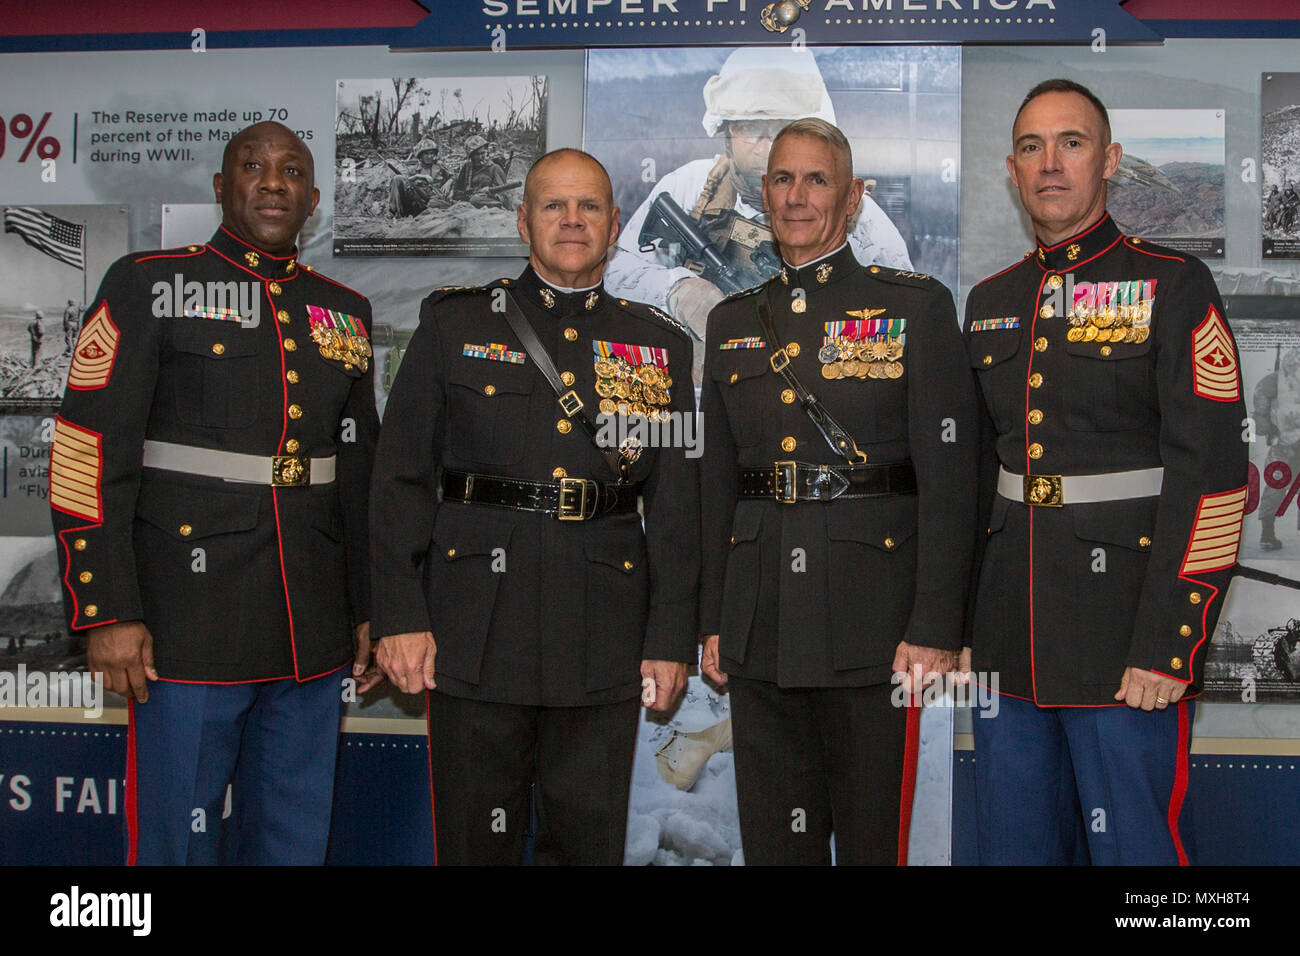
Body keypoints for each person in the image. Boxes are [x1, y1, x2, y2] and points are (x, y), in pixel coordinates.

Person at [49, 121, 379, 865]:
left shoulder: (342, 311)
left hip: (312, 628)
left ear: (314, 198)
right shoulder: (148, 283)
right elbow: (86, 450)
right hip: (182, 625)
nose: (272, 181)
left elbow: (358, 474)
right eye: (253, 167)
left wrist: (367, 607)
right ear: (220, 187)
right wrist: (109, 609)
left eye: (291, 171)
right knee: (176, 843)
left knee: (293, 841)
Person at [370, 148, 699, 865]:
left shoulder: (659, 346)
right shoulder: (454, 327)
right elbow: (398, 480)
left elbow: (675, 508)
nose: (572, 220)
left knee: (587, 845)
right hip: (472, 629)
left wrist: (670, 637)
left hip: (604, 631)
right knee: (473, 843)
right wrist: (398, 615)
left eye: (589, 207)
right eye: (554, 205)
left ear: (615, 225)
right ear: (523, 222)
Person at [964, 79, 1248, 865]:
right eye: (1031, 147)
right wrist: (960, 630)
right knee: (1013, 851)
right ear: (1013, 169)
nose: (1049, 163)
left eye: (1072, 143)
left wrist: (1170, 641)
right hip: (1007, 643)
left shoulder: (1173, 284)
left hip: (1127, 649)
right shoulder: (992, 301)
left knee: (1135, 860)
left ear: (1110, 160)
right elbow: (971, 482)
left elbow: (1215, 479)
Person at [698, 118, 976, 865]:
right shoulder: (729, 325)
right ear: (763, 192)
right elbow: (715, 487)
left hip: (878, 627)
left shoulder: (915, 309)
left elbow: (953, 483)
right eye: (783, 179)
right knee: (774, 843)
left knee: (868, 842)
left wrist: (937, 625)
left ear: (852, 199)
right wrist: (714, 616)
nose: (797, 196)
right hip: (762, 626)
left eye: (817, 180)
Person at [605, 47, 913, 375]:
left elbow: (901, 311)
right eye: (750, 128)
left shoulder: (854, 211)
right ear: (726, 132)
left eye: (780, 129)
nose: (765, 146)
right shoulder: (691, 186)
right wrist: (677, 289)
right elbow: (613, 273)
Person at [1251, 348, 1300, 551]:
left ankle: (1267, 534)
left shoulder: (1273, 380)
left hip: (1283, 441)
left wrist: (1267, 428)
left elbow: (1260, 412)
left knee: (1276, 483)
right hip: (1286, 441)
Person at [388, 138, 450, 218]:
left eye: (432, 153)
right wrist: (418, 176)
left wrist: (449, 182)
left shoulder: (439, 167)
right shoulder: (413, 169)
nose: (429, 156)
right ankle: (393, 214)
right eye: (426, 154)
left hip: (434, 201)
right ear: (420, 155)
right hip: (417, 202)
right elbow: (401, 181)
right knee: (397, 178)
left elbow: (454, 176)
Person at [447, 134, 508, 207]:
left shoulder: (494, 168)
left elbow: (504, 193)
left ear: (486, 151)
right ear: (471, 156)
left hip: (488, 199)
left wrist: (488, 191)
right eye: (476, 154)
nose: (480, 157)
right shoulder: (467, 167)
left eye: (482, 153)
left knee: (475, 200)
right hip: (470, 200)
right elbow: (459, 189)